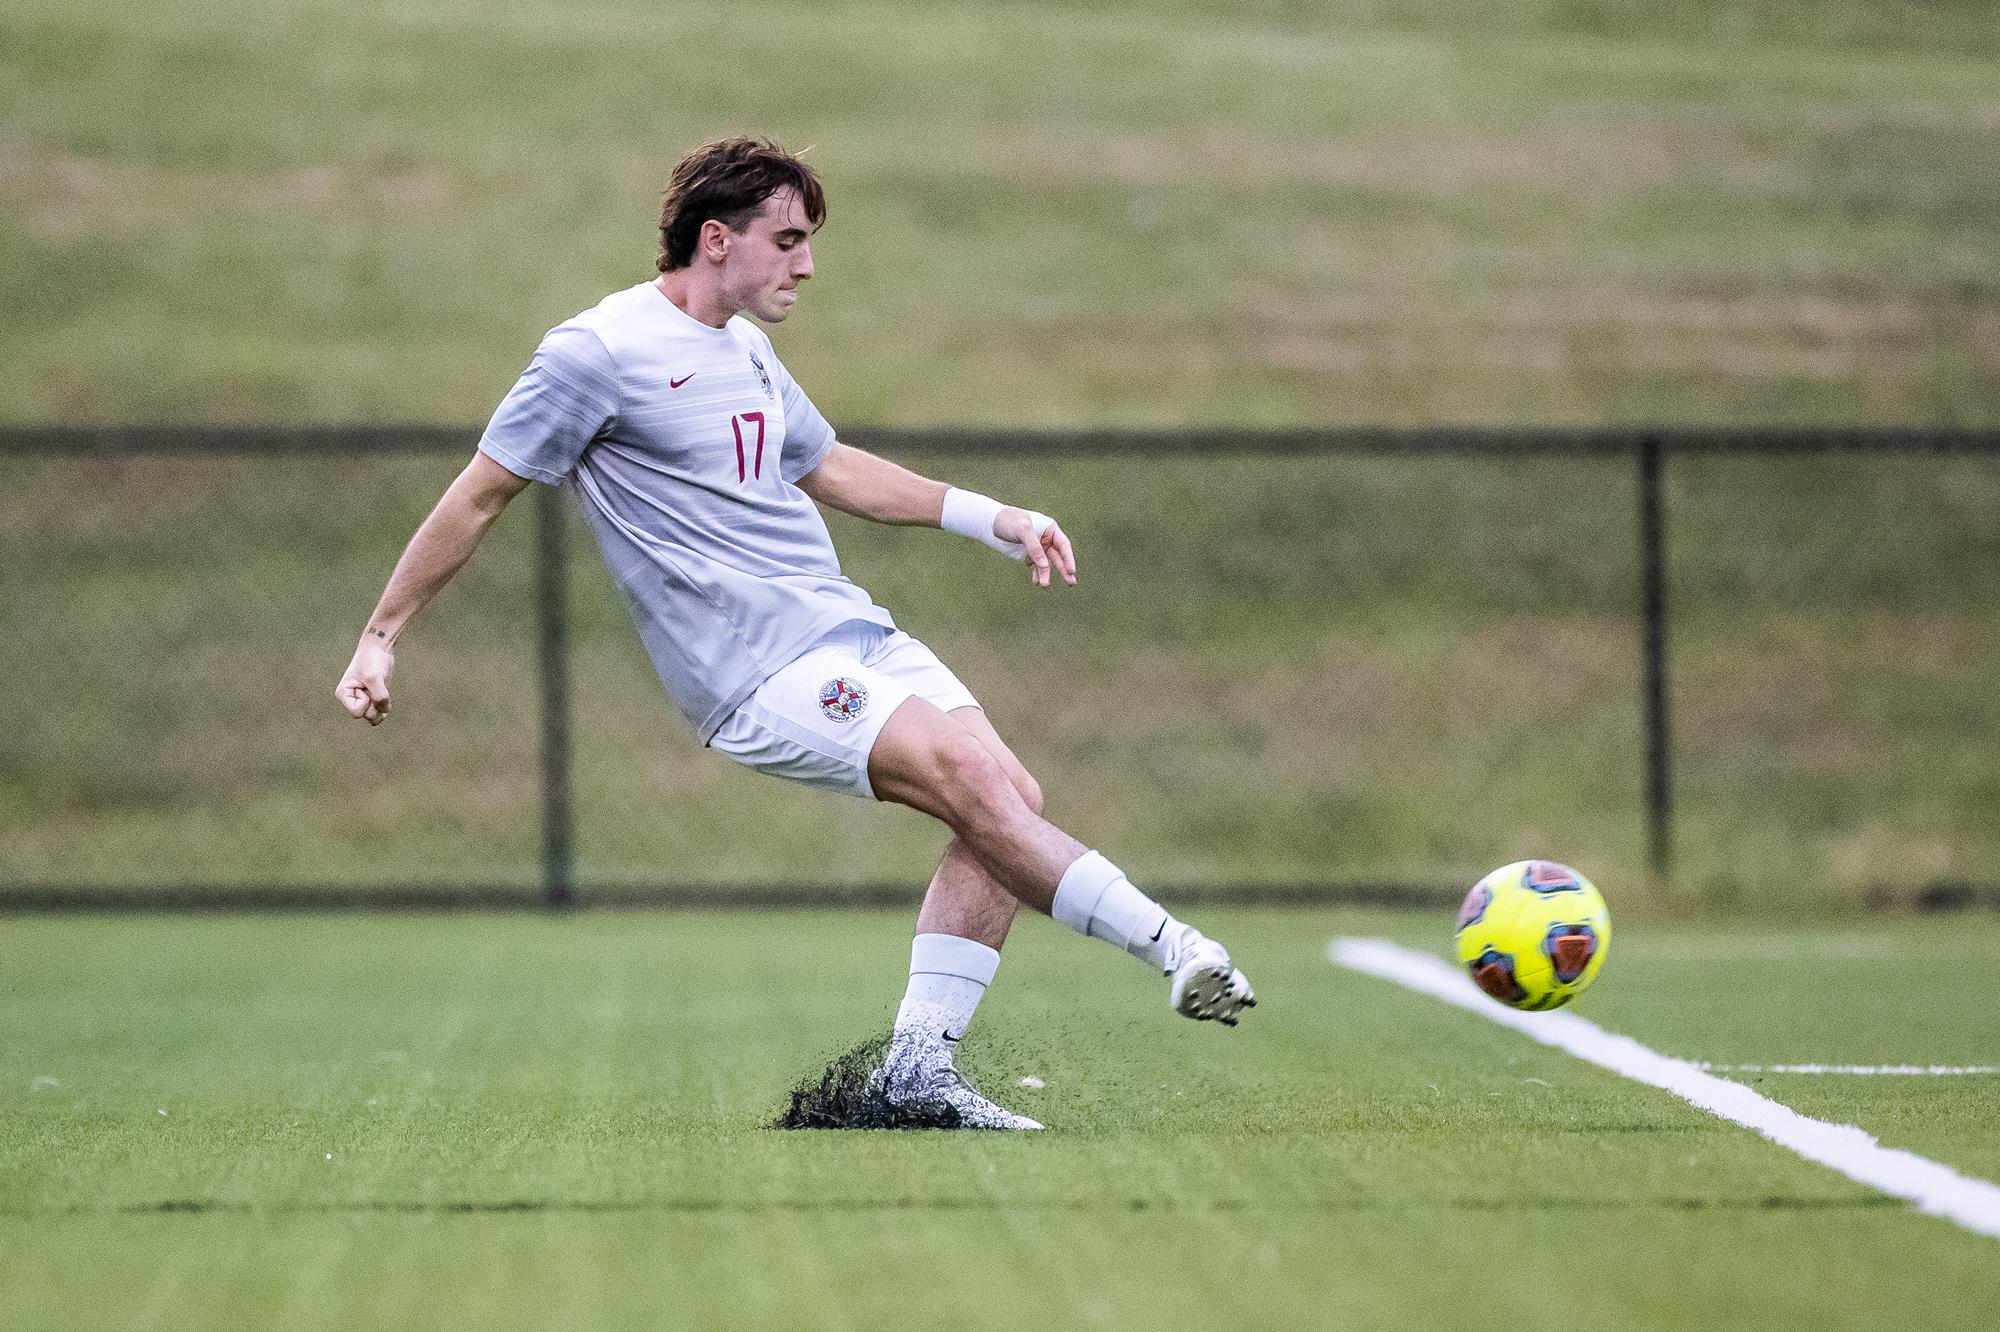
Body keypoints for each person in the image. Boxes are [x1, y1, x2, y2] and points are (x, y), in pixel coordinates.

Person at [335, 138, 1254, 1130]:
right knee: (971, 782)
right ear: (716, 239)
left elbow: (831, 469)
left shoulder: (746, 349)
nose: (805, 265)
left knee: (1007, 802)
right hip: (754, 671)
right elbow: (479, 496)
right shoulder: (592, 355)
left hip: (842, 627)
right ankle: (1176, 949)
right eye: (788, 240)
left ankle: (914, 1073)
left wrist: (997, 518)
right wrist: (382, 634)